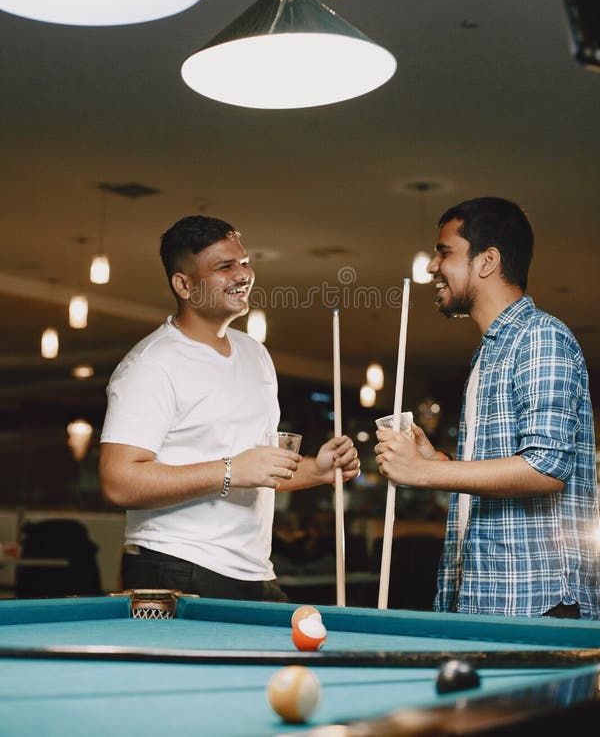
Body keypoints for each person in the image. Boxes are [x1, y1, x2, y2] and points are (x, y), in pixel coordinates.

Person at [100, 215, 360, 601]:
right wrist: (230, 469)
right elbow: (118, 481)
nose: (243, 275)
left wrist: (314, 471)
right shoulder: (150, 364)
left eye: (244, 261)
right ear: (183, 284)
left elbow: (255, 470)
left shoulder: (255, 353)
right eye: (224, 267)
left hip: (254, 570)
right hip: (174, 565)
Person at [375, 197, 600, 619]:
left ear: (487, 261)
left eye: (444, 252)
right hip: (489, 600)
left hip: (537, 605)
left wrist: (426, 472)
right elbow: (502, 471)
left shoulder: (540, 337)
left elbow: (545, 467)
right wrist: (438, 460)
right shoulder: (490, 354)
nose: (431, 267)